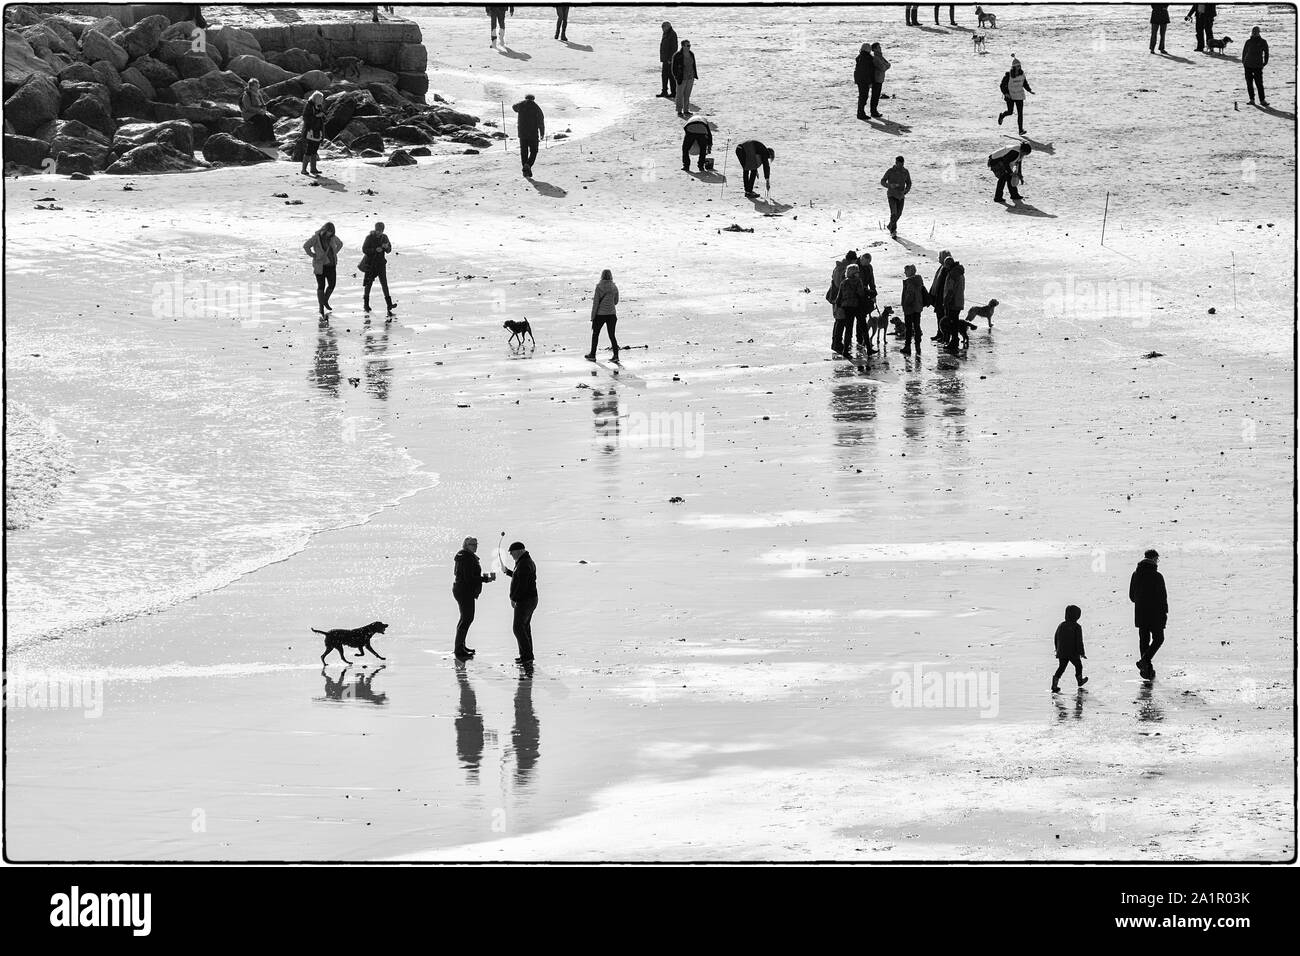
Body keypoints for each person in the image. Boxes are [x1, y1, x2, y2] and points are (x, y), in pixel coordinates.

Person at [452, 537, 495, 661]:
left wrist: (482, 578)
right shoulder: (465, 557)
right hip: (464, 591)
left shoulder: (465, 556)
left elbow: (469, 576)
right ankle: (459, 650)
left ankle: (461, 646)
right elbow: (469, 577)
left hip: (462, 590)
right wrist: (485, 579)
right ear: (466, 545)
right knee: (467, 619)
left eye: (476, 544)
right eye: (472, 544)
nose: (475, 546)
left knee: (465, 619)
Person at [1129, 549, 1168, 680]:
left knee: (1144, 641)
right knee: (1159, 639)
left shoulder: (1136, 574)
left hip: (1141, 613)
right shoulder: (1157, 576)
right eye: (1157, 559)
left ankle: (1147, 671)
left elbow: (1132, 597)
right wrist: (1164, 614)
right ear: (1154, 559)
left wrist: (1141, 601)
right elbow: (1163, 598)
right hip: (1156, 614)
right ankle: (1144, 662)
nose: (1158, 561)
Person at [502, 541, 537, 665]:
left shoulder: (524, 564)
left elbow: (522, 585)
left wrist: (514, 599)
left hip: (525, 600)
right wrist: (508, 572)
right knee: (524, 628)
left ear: (518, 551)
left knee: (518, 628)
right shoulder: (524, 561)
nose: (511, 555)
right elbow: (519, 578)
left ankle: (527, 656)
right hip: (530, 599)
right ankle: (526, 655)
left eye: (511, 553)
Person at [303, 221, 342, 317]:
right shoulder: (316, 238)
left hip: (331, 265)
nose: (330, 234)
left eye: (332, 232)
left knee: (332, 285)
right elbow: (306, 246)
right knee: (321, 286)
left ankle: (325, 301)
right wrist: (313, 255)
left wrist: (334, 253)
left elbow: (340, 244)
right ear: (324, 230)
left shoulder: (333, 237)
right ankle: (321, 307)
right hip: (320, 265)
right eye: (329, 231)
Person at [360, 221, 396, 316]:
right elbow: (364, 249)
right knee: (369, 283)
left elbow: (389, 250)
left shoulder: (385, 237)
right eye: (377, 230)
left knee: (384, 283)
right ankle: (366, 304)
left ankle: (389, 304)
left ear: (383, 230)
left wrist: (386, 247)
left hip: (381, 263)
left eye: (380, 231)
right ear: (375, 229)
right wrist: (375, 250)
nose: (379, 232)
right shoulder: (369, 237)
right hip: (370, 263)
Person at [1050, 605, 1088, 693]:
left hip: (1062, 652)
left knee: (1061, 668)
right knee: (1078, 666)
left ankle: (1054, 685)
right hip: (1073, 652)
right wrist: (1081, 653)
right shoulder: (1077, 627)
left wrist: (1057, 649)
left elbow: (1056, 637)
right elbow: (1079, 641)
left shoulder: (1061, 625)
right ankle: (1079, 681)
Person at [835, 261, 870, 355]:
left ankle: (845, 350)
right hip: (857, 306)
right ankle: (869, 349)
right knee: (863, 327)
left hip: (847, 307)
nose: (858, 273)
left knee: (848, 329)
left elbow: (839, 296)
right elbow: (860, 293)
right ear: (854, 272)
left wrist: (839, 306)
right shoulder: (858, 281)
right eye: (857, 271)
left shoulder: (844, 282)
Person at [586, 269, 620, 362]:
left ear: (602, 276)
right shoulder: (614, 287)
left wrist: (593, 316)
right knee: (612, 335)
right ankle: (616, 356)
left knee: (595, 334)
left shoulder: (599, 287)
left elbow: (595, 303)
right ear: (611, 276)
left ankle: (592, 355)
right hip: (612, 315)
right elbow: (616, 302)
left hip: (600, 314)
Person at [828, 250, 857, 354]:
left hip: (836, 297)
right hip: (839, 299)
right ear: (852, 260)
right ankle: (837, 344)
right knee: (840, 321)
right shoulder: (842, 269)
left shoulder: (839, 267)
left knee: (839, 321)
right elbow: (838, 283)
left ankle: (836, 343)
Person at [996, 58, 1034, 134]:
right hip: (1010, 96)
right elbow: (1002, 85)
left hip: (1019, 95)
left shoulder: (1022, 74)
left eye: (1019, 66)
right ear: (1013, 67)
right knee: (1010, 112)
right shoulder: (1008, 75)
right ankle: (1002, 116)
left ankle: (1020, 130)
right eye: (1017, 66)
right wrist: (1006, 93)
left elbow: (1024, 83)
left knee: (1020, 113)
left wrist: (1029, 90)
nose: (1019, 67)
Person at [512, 93, 545, 178]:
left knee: (524, 152)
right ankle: (528, 165)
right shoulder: (536, 107)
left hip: (522, 133)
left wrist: (522, 102)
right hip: (533, 134)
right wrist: (542, 133)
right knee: (534, 151)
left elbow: (513, 107)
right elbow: (541, 121)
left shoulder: (521, 105)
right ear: (533, 99)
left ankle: (525, 170)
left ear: (525, 98)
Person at [880, 155, 911, 236]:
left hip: (901, 196)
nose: (901, 166)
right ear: (896, 163)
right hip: (892, 195)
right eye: (899, 164)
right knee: (894, 213)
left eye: (902, 164)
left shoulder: (905, 172)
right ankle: (893, 231)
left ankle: (890, 225)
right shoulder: (890, 171)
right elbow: (882, 181)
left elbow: (909, 183)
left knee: (899, 213)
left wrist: (906, 191)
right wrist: (890, 185)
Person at [940, 255, 965, 351]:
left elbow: (950, 290)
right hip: (959, 300)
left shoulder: (952, 274)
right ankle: (955, 340)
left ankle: (954, 342)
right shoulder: (959, 272)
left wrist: (946, 302)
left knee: (952, 323)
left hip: (953, 302)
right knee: (955, 321)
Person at [854, 252, 878, 350]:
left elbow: (871, 280)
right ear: (861, 259)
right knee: (858, 317)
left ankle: (862, 339)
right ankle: (859, 338)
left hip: (865, 293)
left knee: (863, 316)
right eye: (866, 262)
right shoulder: (855, 266)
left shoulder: (869, 267)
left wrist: (873, 292)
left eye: (869, 262)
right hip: (856, 294)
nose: (867, 264)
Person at [901, 263, 926, 354]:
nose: (904, 272)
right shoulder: (919, 280)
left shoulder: (910, 282)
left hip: (910, 308)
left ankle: (907, 346)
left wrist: (905, 304)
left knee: (908, 328)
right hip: (918, 306)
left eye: (906, 270)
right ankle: (918, 345)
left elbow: (909, 295)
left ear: (910, 271)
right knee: (917, 326)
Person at [1242, 26, 1270, 107]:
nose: (1254, 33)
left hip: (1258, 65)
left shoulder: (1263, 41)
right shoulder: (1248, 41)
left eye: (1256, 31)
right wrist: (1243, 62)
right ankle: (1252, 99)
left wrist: (1265, 62)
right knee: (1249, 83)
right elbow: (1244, 52)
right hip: (1248, 65)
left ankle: (1262, 100)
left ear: (1259, 32)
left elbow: (1266, 52)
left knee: (1259, 83)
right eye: (1253, 31)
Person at [299, 90, 325, 175]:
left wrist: (321, 116)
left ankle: (313, 169)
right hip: (310, 131)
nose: (321, 100)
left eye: (322, 98)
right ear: (315, 98)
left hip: (318, 131)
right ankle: (303, 169)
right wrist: (316, 116)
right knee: (309, 150)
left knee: (315, 150)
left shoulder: (319, 106)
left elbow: (323, 118)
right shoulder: (309, 105)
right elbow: (306, 118)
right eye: (320, 98)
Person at [239, 77, 272, 142]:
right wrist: (259, 111)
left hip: (258, 112)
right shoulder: (247, 95)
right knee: (262, 121)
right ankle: (263, 140)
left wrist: (264, 109)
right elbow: (248, 107)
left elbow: (263, 104)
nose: (258, 87)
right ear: (251, 86)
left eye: (258, 85)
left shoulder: (258, 93)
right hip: (249, 114)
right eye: (256, 86)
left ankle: (272, 139)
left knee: (268, 119)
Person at [928, 249, 951, 340]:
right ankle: (940, 333)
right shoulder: (942, 267)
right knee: (939, 316)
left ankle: (943, 335)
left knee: (942, 317)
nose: (938, 258)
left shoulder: (946, 269)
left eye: (940, 257)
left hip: (942, 297)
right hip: (938, 296)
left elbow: (943, 285)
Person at [673, 39, 698, 117]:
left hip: (690, 77)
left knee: (687, 95)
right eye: (687, 45)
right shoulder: (678, 55)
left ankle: (686, 110)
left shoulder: (691, 54)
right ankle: (679, 111)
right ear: (683, 46)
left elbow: (693, 65)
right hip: (682, 78)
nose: (689, 47)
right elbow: (674, 68)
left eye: (689, 45)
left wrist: (694, 75)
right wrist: (677, 76)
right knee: (680, 95)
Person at [868, 42, 890, 118]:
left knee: (876, 96)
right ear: (874, 49)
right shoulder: (876, 57)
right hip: (876, 79)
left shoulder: (879, 56)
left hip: (879, 78)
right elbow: (884, 67)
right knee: (875, 96)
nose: (880, 48)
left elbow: (888, 64)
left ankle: (874, 111)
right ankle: (873, 112)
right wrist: (885, 66)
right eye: (878, 47)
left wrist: (885, 66)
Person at [853, 43, 874, 120]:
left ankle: (860, 112)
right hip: (864, 80)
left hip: (860, 79)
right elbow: (866, 71)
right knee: (863, 96)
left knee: (862, 96)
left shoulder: (861, 56)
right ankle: (860, 113)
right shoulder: (866, 58)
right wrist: (869, 82)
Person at [659, 21, 678, 97]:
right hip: (665, 59)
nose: (662, 29)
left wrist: (670, 58)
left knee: (671, 76)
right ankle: (664, 91)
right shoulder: (666, 33)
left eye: (663, 27)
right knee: (664, 75)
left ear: (667, 27)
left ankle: (674, 92)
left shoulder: (672, 34)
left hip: (669, 59)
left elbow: (674, 48)